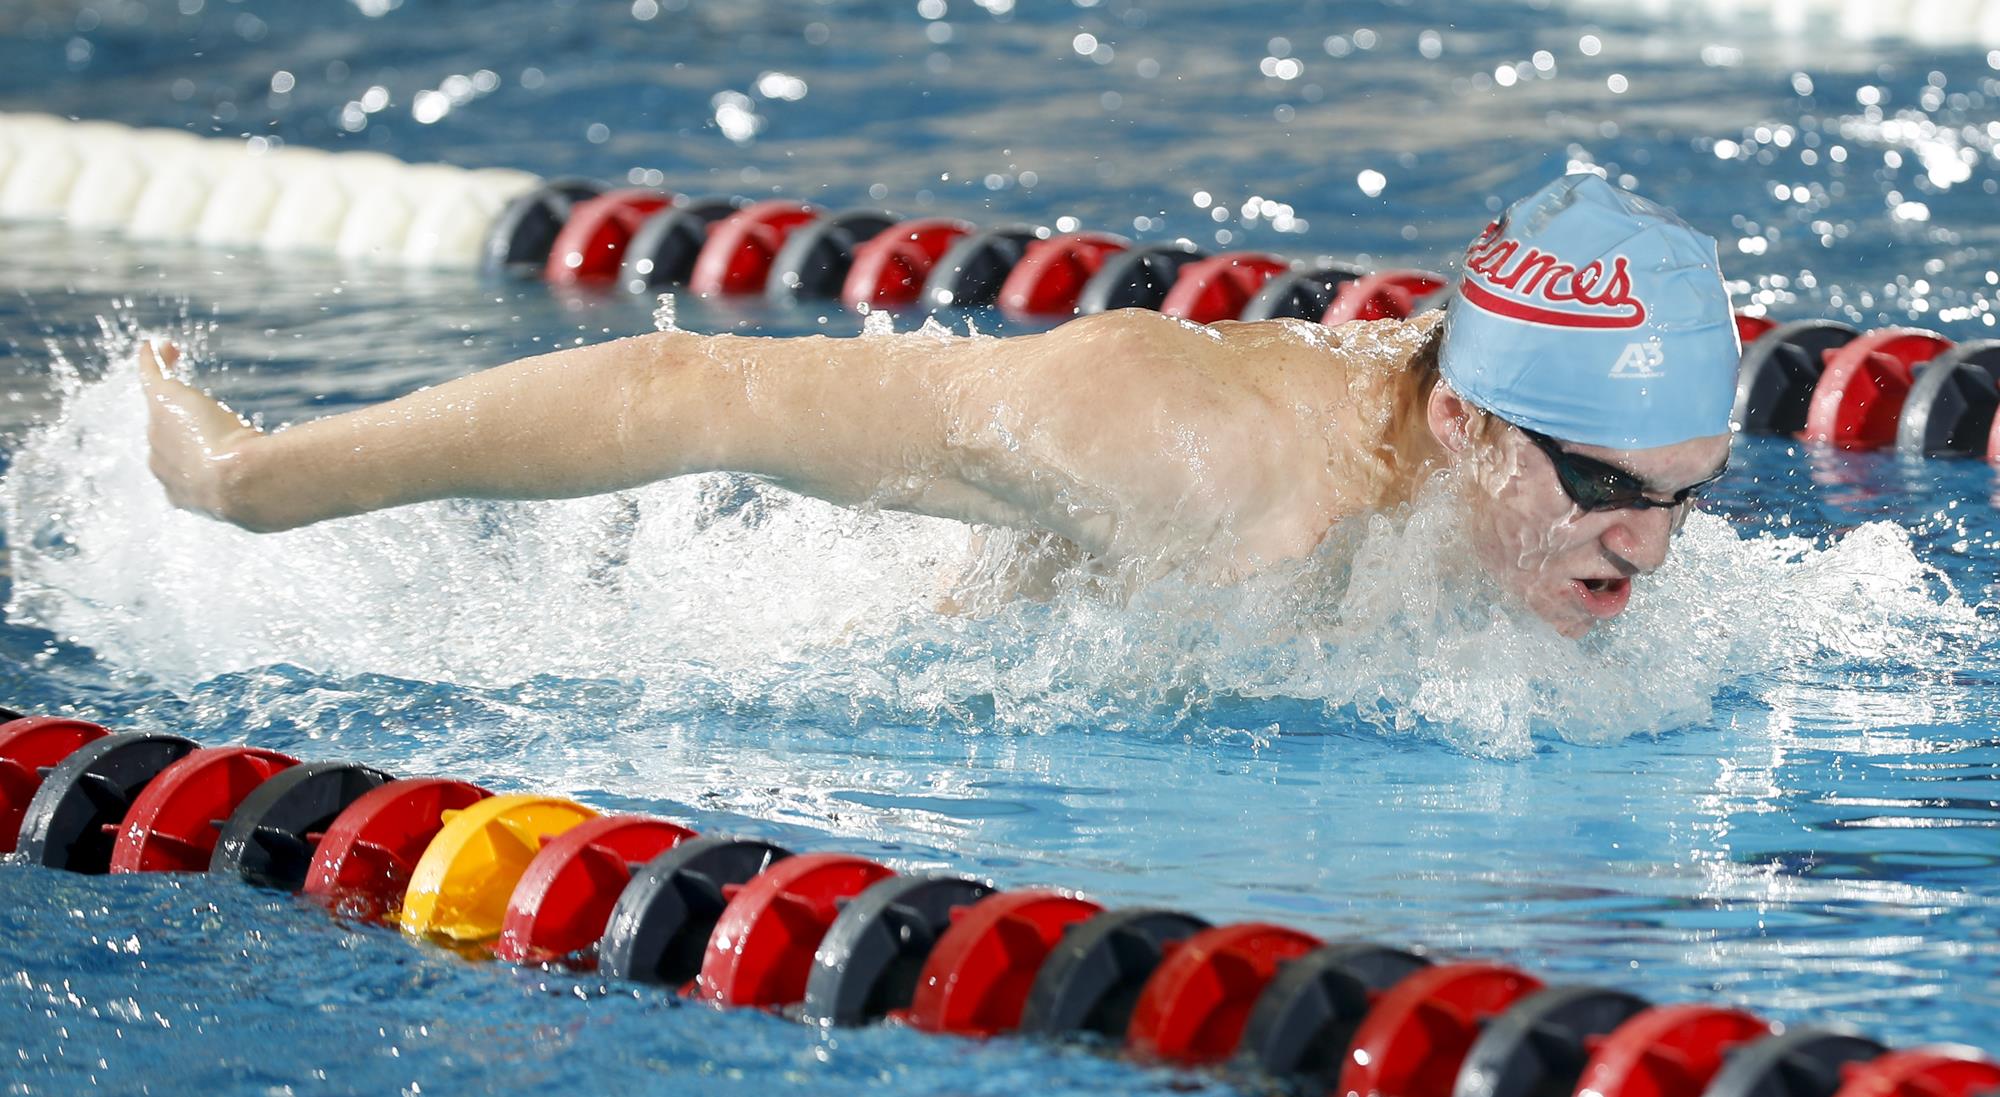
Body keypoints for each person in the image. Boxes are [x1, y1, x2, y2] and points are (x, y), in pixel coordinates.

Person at [140, 173, 1739, 639]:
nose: (1652, 550)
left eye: (1692, 491)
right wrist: (249, 481)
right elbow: (691, 383)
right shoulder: (1186, 447)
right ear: (1465, 427)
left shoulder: (1503, 457)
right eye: (1610, 484)